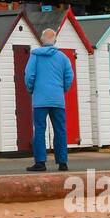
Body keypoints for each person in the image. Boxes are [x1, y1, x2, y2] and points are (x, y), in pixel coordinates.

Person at [23, 28, 74, 172]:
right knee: (60, 130)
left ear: (42, 40)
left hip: (40, 99)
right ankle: (62, 162)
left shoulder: (35, 56)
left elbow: (29, 75)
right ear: (55, 40)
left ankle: (40, 162)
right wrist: (62, 89)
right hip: (57, 99)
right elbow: (69, 77)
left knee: (39, 130)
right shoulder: (63, 57)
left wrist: (31, 89)